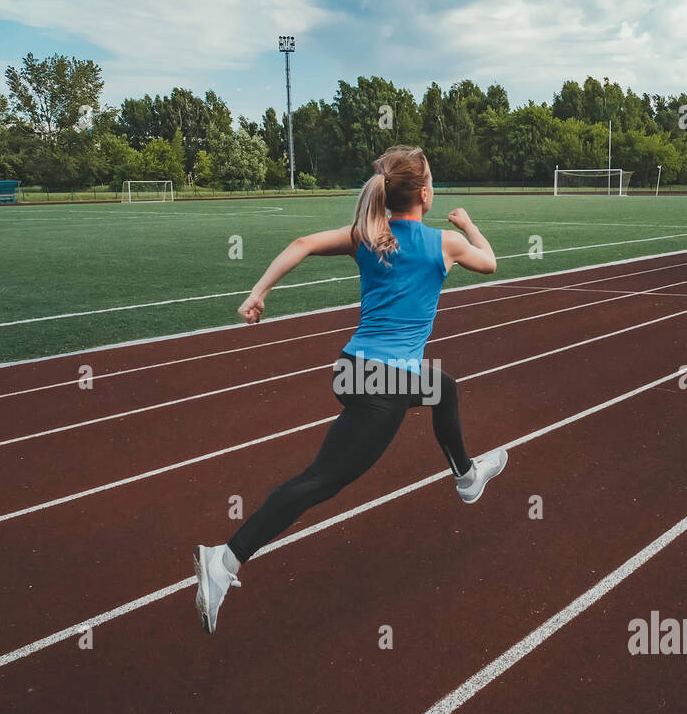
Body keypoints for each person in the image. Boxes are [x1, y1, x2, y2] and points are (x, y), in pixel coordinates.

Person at [193, 145, 510, 634]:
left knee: (443, 388)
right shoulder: (444, 244)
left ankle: (467, 478)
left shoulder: (368, 236)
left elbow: (300, 243)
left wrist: (257, 294)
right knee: (322, 480)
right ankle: (226, 559)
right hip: (388, 383)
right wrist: (467, 223)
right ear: (425, 194)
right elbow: (490, 262)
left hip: (354, 371)